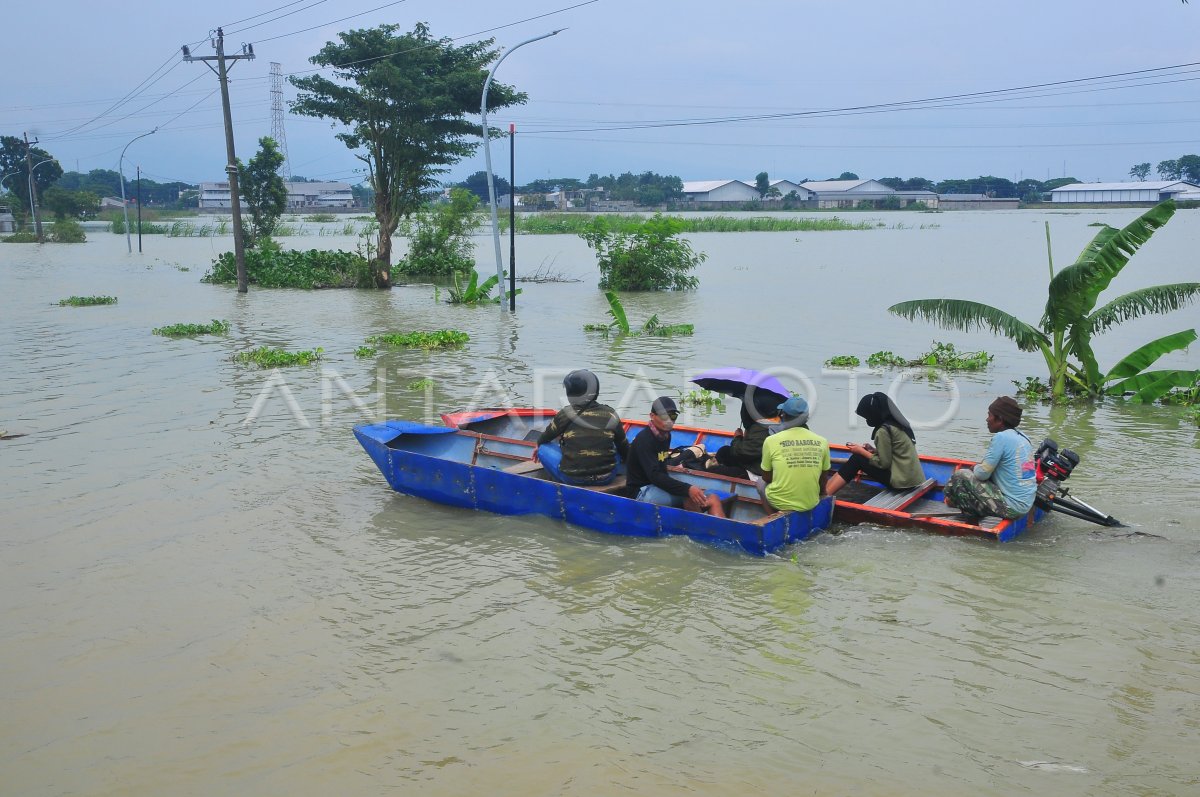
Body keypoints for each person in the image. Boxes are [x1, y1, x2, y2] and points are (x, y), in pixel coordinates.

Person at [626, 396, 726, 517]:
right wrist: (687, 489)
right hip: (640, 493)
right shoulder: (644, 440)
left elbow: (662, 469)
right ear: (652, 416)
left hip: (656, 487)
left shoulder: (666, 436)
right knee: (689, 497)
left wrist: (686, 489)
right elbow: (655, 475)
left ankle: (709, 531)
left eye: (673, 416)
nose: (669, 420)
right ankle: (699, 530)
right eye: (664, 416)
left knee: (713, 498)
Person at [943, 396, 1037, 519]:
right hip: (1026, 503)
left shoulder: (1001, 438)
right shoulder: (1024, 437)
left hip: (1012, 508)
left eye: (990, 415)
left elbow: (982, 474)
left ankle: (954, 503)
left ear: (1000, 419)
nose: (987, 419)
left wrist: (974, 468)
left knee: (960, 475)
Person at [536, 369, 629, 486]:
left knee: (543, 449)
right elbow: (623, 446)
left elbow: (544, 438)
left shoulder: (565, 414)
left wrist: (538, 445)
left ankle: (558, 483)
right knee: (620, 444)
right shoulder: (610, 413)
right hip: (606, 477)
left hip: (573, 479)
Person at [824, 392, 925, 496]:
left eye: (867, 416)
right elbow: (897, 452)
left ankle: (826, 494)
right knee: (859, 456)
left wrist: (861, 451)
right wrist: (873, 450)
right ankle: (825, 489)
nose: (867, 419)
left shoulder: (883, 431)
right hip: (913, 479)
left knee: (856, 459)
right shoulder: (898, 424)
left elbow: (883, 464)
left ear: (874, 413)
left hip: (901, 482)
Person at [757, 396, 831, 513]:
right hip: (810, 503)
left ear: (783, 415)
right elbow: (823, 478)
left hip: (779, 501)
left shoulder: (771, 441)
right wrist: (822, 494)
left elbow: (766, 477)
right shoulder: (822, 441)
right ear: (806, 418)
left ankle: (771, 517)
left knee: (760, 482)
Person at [709, 394, 774, 478]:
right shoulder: (762, 425)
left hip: (756, 472)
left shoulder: (761, 430)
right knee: (724, 451)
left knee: (712, 471)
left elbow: (741, 453)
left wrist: (738, 437)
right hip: (754, 462)